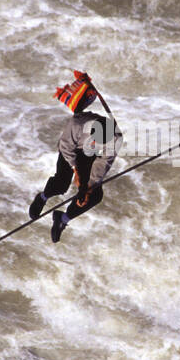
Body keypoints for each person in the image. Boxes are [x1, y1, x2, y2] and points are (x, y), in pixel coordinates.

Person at [28, 72, 122, 242]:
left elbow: (102, 164)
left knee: (94, 195)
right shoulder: (77, 124)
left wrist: (86, 189)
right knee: (61, 184)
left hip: (90, 155)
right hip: (70, 150)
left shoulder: (115, 138)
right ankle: (43, 197)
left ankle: (62, 220)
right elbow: (66, 148)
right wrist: (77, 173)